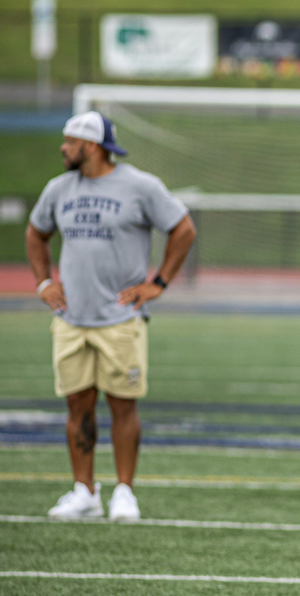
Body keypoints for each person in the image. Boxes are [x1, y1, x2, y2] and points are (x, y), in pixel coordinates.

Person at [25, 111, 196, 522]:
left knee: (123, 406)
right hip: (71, 319)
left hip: (120, 318)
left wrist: (159, 282)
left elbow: (183, 228)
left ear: (92, 146)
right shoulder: (59, 188)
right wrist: (44, 283)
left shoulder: (140, 186)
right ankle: (84, 491)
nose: (63, 148)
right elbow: (36, 232)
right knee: (77, 406)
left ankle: (124, 491)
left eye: (70, 141)